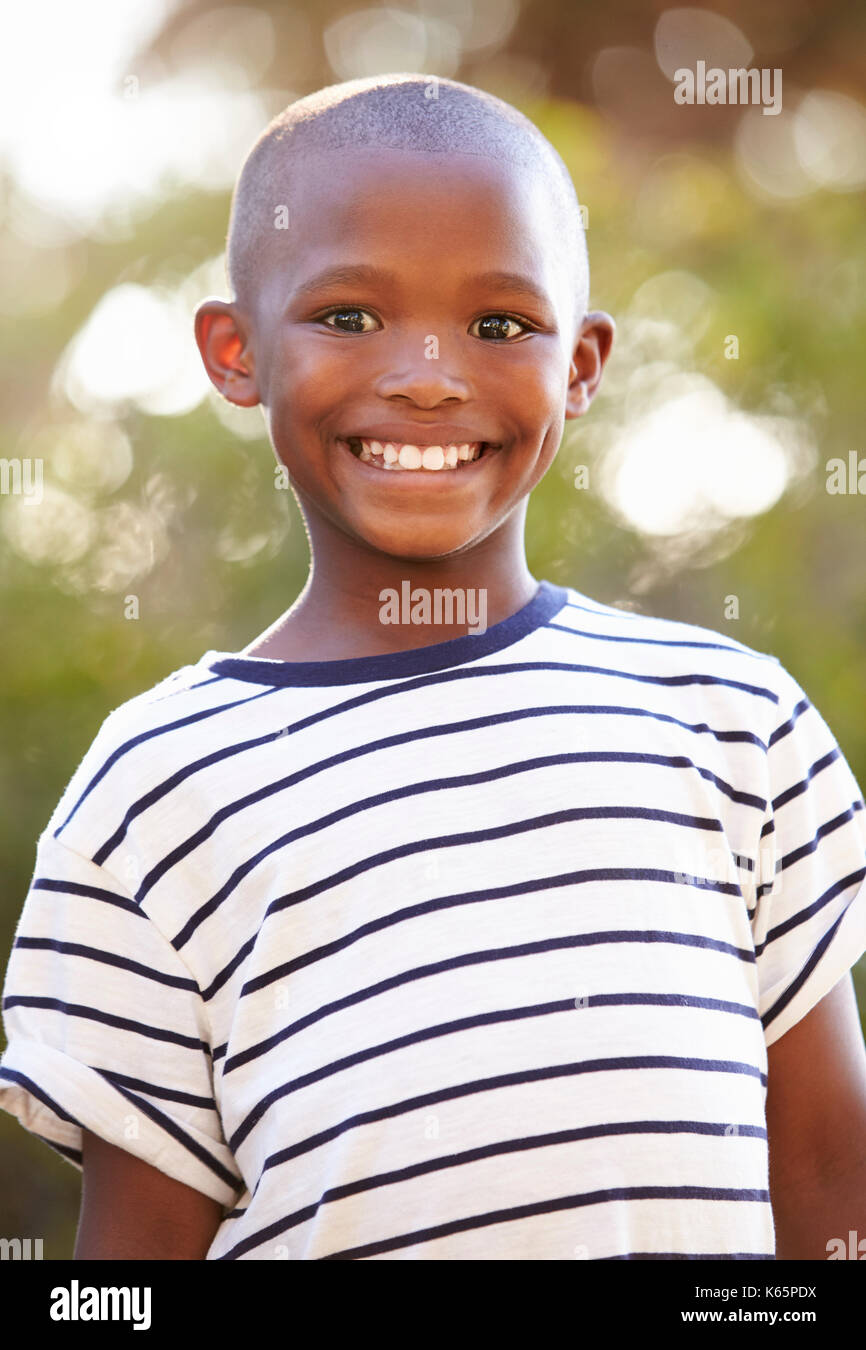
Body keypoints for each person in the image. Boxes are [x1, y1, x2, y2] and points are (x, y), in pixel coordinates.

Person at [1, 73, 865, 1261]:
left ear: (582, 363)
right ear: (234, 351)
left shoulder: (728, 718)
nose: (425, 374)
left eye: (499, 325)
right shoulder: (155, 790)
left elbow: (825, 1173)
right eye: (349, 316)